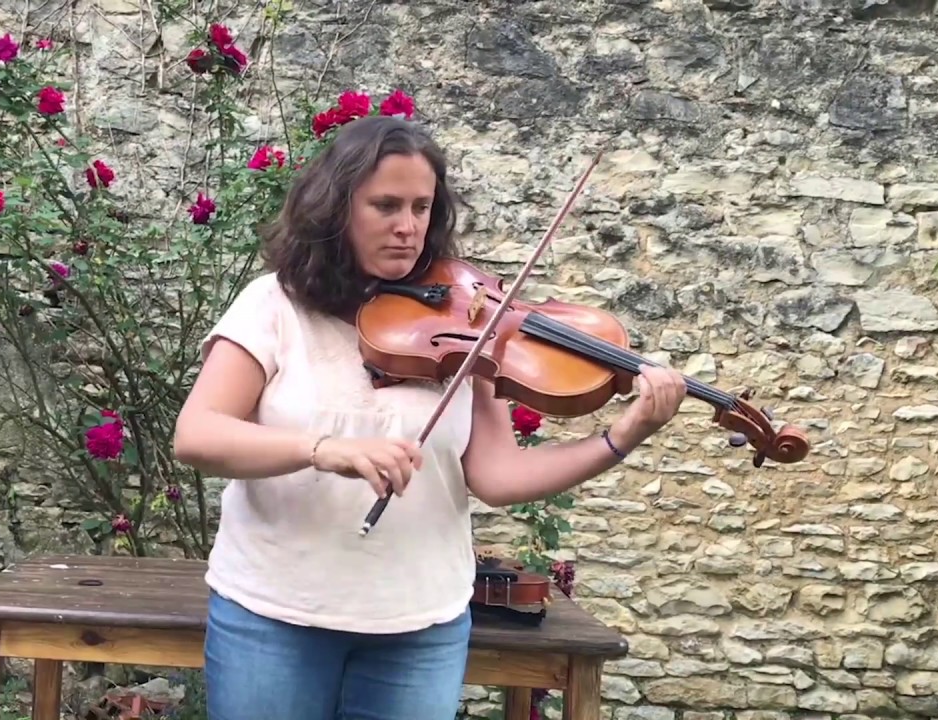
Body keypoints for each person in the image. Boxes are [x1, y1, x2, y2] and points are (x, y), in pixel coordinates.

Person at [172, 114, 687, 720]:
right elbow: (198, 434)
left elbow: (496, 477)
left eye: (422, 207)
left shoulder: (468, 321)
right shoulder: (273, 305)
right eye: (385, 205)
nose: (407, 227)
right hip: (275, 614)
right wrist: (324, 448)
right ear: (335, 208)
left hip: (419, 625)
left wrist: (621, 438)